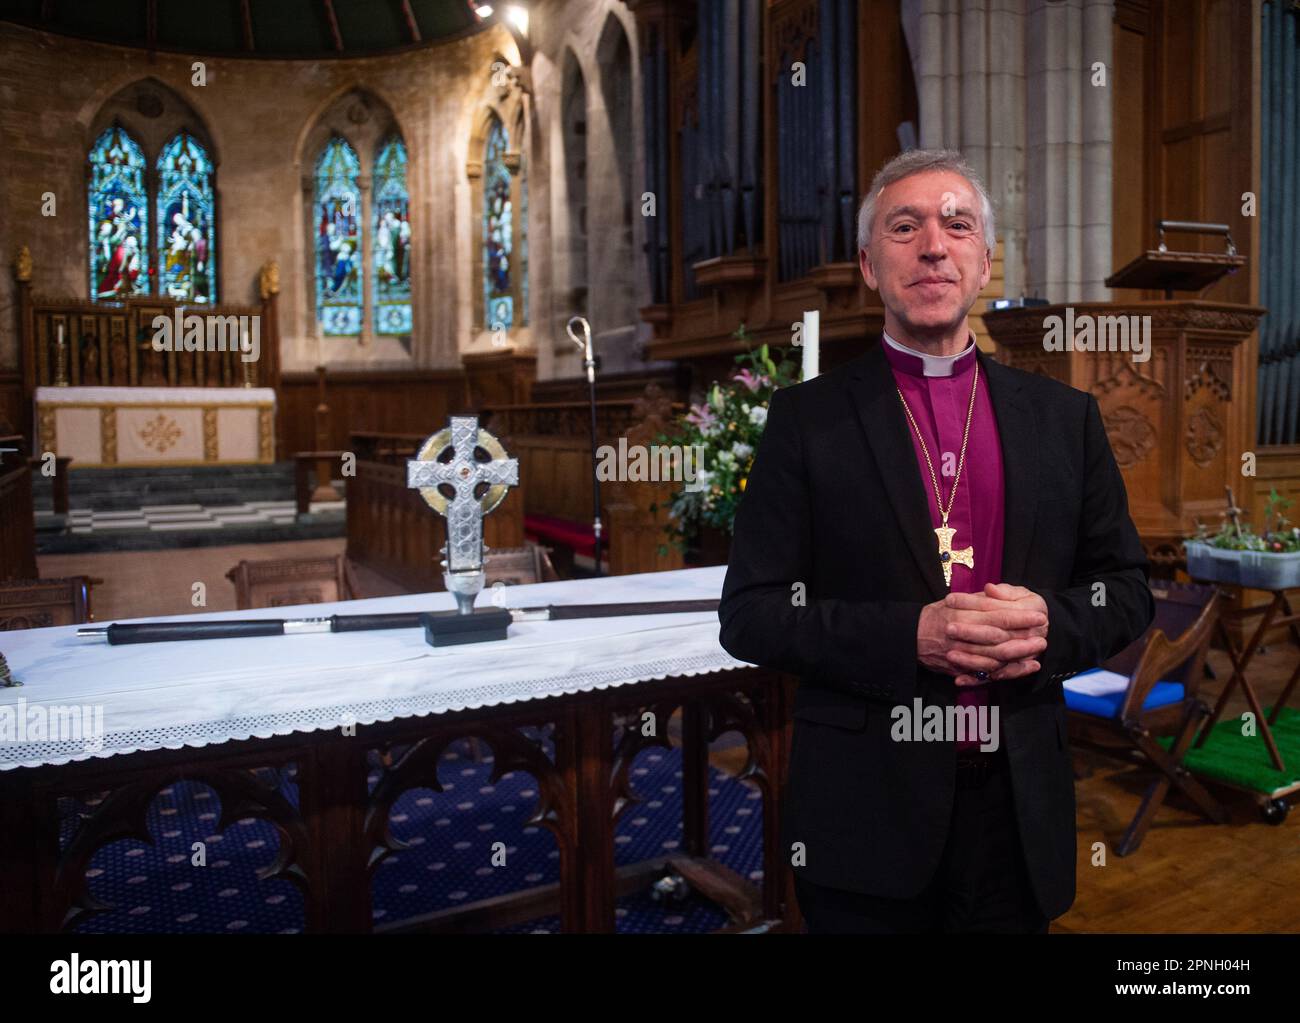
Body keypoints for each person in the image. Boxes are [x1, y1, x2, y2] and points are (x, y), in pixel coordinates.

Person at [718, 149, 1154, 933]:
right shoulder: (807, 421)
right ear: (869, 264)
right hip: (866, 804)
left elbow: (1124, 587)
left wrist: (1052, 623)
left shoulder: (1065, 419)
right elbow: (749, 613)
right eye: (905, 225)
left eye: (957, 225)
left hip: (1020, 802)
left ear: (984, 261)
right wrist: (907, 634)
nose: (932, 245)